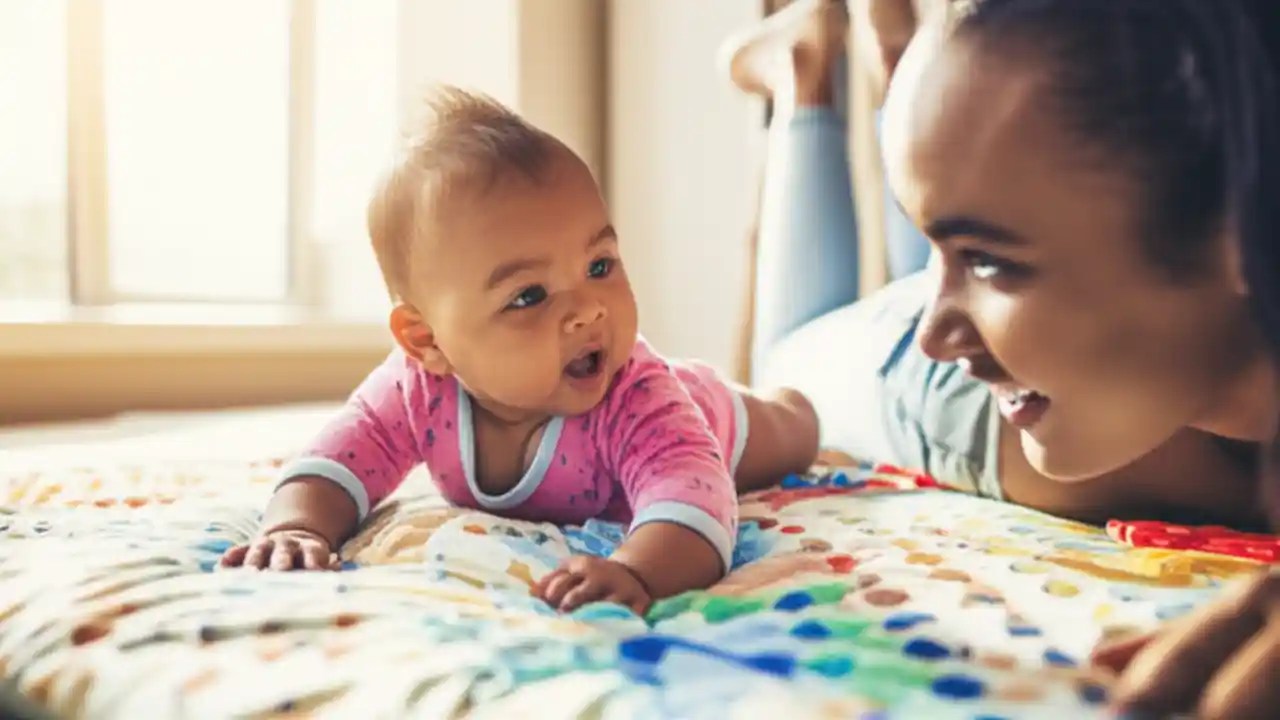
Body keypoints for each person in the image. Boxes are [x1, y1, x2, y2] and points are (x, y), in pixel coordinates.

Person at [724, 0, 1280, 716]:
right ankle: (802, 71)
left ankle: (894, 59)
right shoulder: (951, 361)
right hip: (958, 402)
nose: (935, 331)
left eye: (991, 263)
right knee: (783, 370)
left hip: (1033, 362)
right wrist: (977, 263)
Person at [219, 87, 819, 616]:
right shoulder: (417, 389)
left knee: (784, 430)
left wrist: (637, 569)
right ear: (428, 341)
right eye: (529, 295)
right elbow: (340, 457)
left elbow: (691, 494)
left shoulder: (635, 397)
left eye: (599, 265)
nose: (589, 309)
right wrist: (296, 527)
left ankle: (793, 403)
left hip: (706, 415)